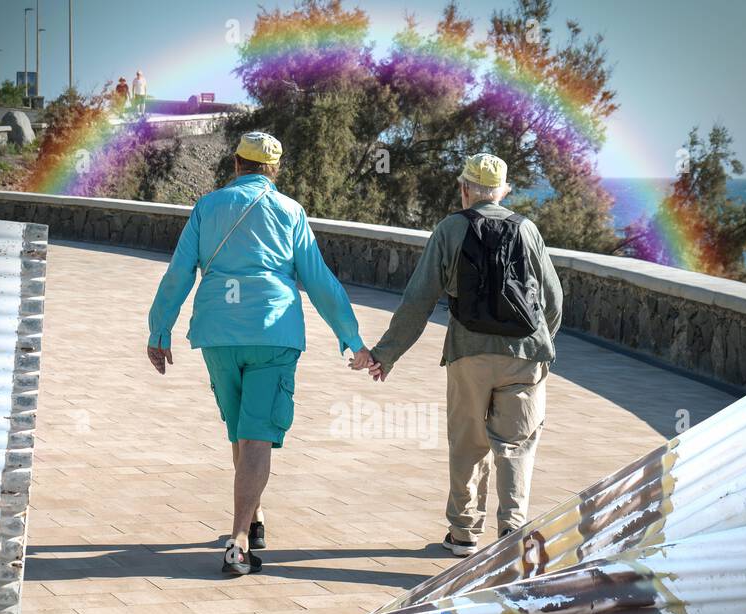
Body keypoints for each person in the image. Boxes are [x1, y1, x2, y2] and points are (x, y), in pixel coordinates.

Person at [147, 132, 373, 576]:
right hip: (273, 332)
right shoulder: (290, 212)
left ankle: (255, 516)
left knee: (239, 431)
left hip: (218, 333)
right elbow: (319, 278)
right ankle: (238, 540)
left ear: (236, 164)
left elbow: (179, 273)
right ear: (274, 170)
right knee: (255, 434)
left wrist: (160, 330)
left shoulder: (207, 207)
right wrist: (352, 337)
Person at [358, 152, 563, 557]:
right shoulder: (528, 230)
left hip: (468, 353)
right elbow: (553, 299)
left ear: (464, 189)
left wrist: (387, 353)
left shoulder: (450, 229)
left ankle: (464, 534)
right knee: (516, 445)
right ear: (503, 191)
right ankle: (512, 531)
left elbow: (418, 300)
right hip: (524, 354)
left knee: (468, 443)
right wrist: (541, 347)